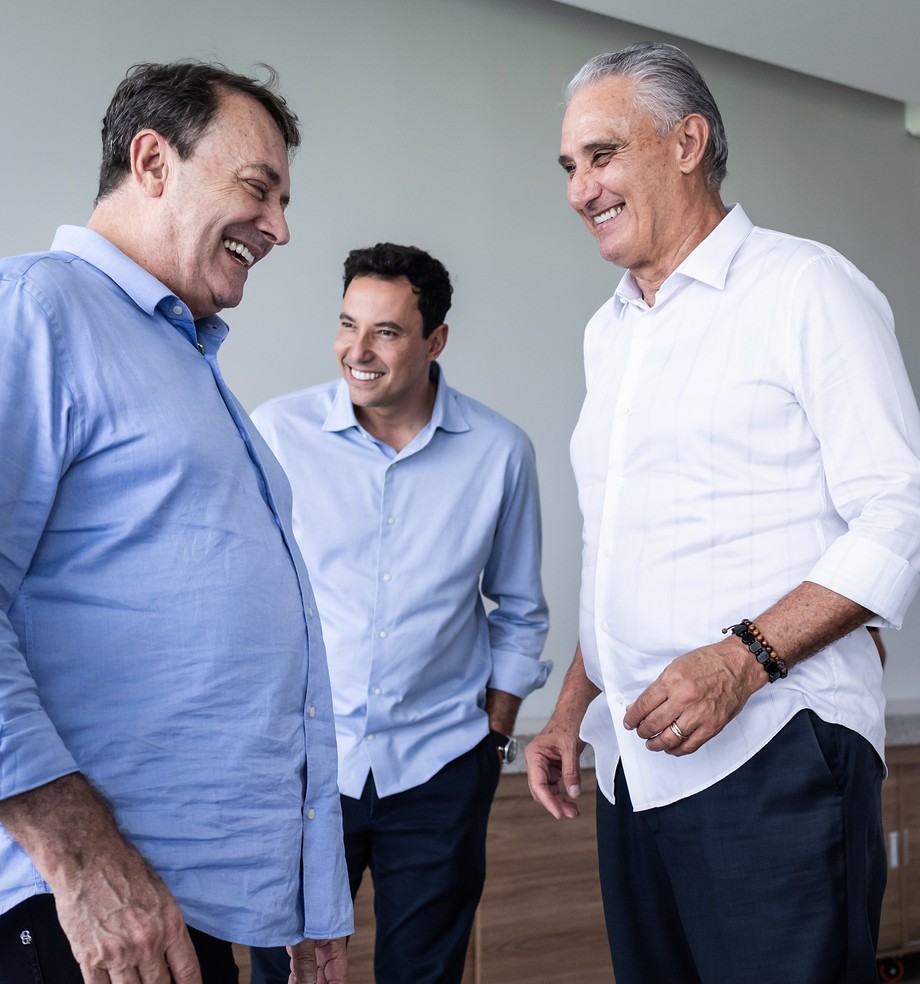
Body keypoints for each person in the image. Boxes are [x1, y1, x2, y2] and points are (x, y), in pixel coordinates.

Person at [0, 61, 352, 984]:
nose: (280, 228)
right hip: (76, 912)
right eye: (258, 188)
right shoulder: (34, 308)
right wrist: (81, 860)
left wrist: (307, 899)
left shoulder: (191, 371)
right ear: (153, 160)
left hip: (182, 916)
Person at [524, 41, 920, 984]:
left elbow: (900, 510)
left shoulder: (805, 288)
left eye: (604, 155)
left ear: (688, 141)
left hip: (777, 750)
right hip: (635, 766)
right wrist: (572, 704)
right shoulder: (607, 332)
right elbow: (625, 544)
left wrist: (742, 663)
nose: (582, 188)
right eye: (571, 167)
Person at [249, 243, 550, 984]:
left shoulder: (501, 452)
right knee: (286, 975)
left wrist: (495, 737)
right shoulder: (276, 435)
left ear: (434, 340)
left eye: (385, 331)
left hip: (441, 768)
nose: (358, 350)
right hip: (303, 770)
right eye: (348, 324)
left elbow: (519, 607)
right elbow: (239, 595)